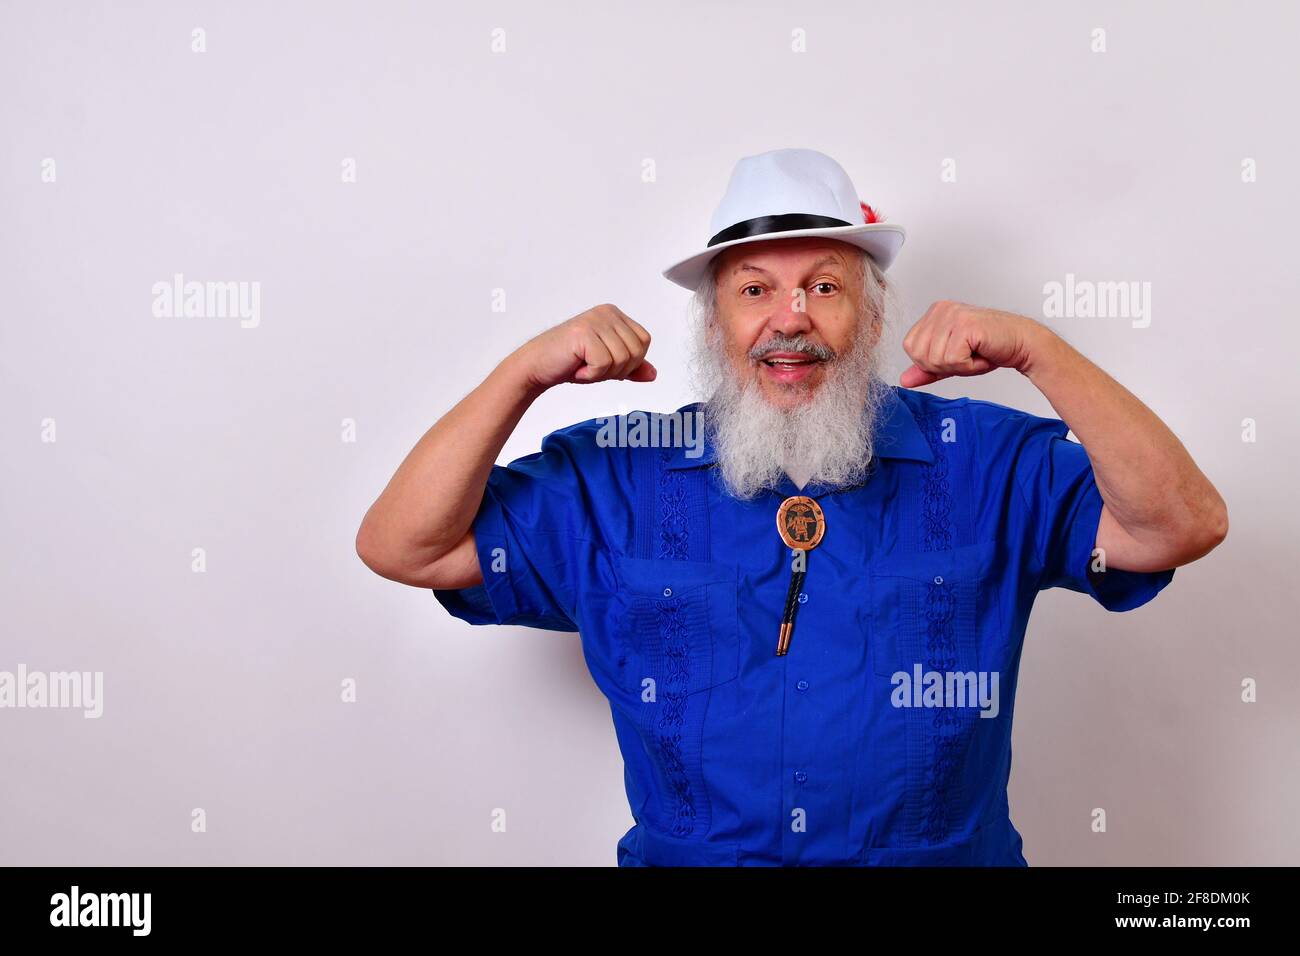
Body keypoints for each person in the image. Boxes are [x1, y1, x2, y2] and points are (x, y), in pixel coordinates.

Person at [356, 148, 1228, 866]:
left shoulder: (986, 461)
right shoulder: (616, 474)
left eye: (823, 285)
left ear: (870, 314)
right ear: (714, 324)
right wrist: (524, 372)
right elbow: (407, 546)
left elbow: (1179, 525)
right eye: (753, 290)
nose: (790, 319)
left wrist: (1042, 353)